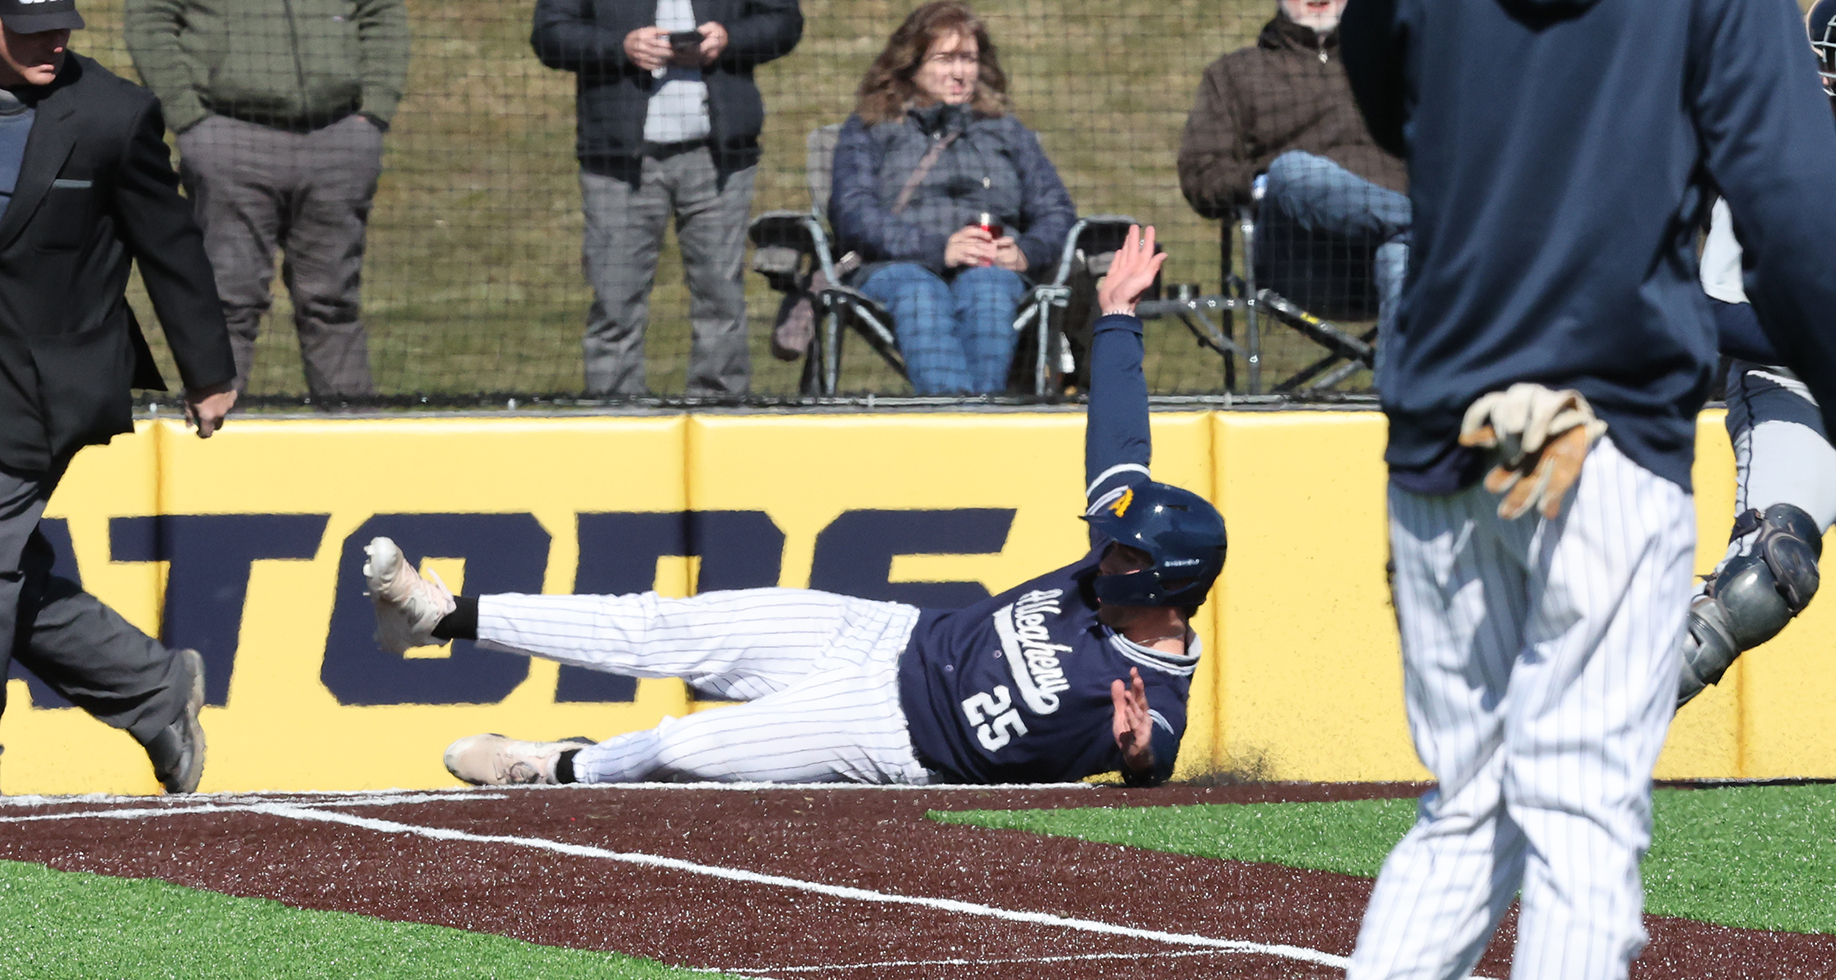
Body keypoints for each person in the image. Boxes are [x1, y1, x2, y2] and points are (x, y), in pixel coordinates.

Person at [1309, 0, 1836, 980]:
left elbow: (1384, 98)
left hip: (1451, 414)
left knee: (1470, 811)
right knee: (1582, 821)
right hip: (1599, 428)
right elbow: (1785, 217)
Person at [364, 227, 1224, 788]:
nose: (1100, 553)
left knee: (683, 748)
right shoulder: (1110, 563)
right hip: (888, 634)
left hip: (897, 736)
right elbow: (1118, 444)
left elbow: (1160, 762)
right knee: (669, 626)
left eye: (1120, 556)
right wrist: (1115, 317)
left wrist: (1143, 759)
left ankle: (551, 766)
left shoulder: (1155, 695)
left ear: (1165, 584)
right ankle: (440, 615)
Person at [0, 0, 237, 794]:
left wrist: (207, 372)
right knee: (13, 574)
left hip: (43, 388)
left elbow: (167, 240)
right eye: (30, 26)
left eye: (60, 23)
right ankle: (153, 690)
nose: (53, 40)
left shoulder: (111, 112)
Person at [1681, 0, 1836, 706]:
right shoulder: (1769, 151)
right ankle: (1588, 733)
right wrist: (1835, 344)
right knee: (1763, 580)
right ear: (1821, 66)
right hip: (1795, 387)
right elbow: (1706, 311)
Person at [124, 0, 408, 402]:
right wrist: (187, 115)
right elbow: (149, 15)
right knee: (229, 304)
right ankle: (215, 447)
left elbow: (382, 11)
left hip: (338, 138)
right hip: (229, 138)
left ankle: (352, 445)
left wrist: (374, 113)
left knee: (333, 303)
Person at [532, 0, 802, 399]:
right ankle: (617, 425)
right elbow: (550, 34)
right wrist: (620, 47)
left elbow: (784, 21)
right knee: (615, 304)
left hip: (719, 155)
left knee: (722, 302)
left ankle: (720, 419)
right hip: (618, 159)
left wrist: (729, 40)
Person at [829, 0, 1076, 396]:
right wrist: (938, 249)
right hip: (894, 267)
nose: (960, 73)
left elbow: (1056, 211)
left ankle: (974, 420)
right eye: (945, 59)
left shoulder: (1006, 131)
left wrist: (1026, 252)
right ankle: (957, 418)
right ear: (912, 63)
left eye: (969, 59)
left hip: (990, 269)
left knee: (989, 289)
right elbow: (853, 214)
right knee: (919, 292)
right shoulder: (870, 127)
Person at [1176, 0, 1408, 329]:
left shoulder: (1396, 65)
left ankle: (1390, 384)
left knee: (1401, 254)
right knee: (1294, 170)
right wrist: (1262, 186)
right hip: (1300, 260)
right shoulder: (1235, 74)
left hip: (1390, 256)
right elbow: (1201, 175)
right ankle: (1419, 226)